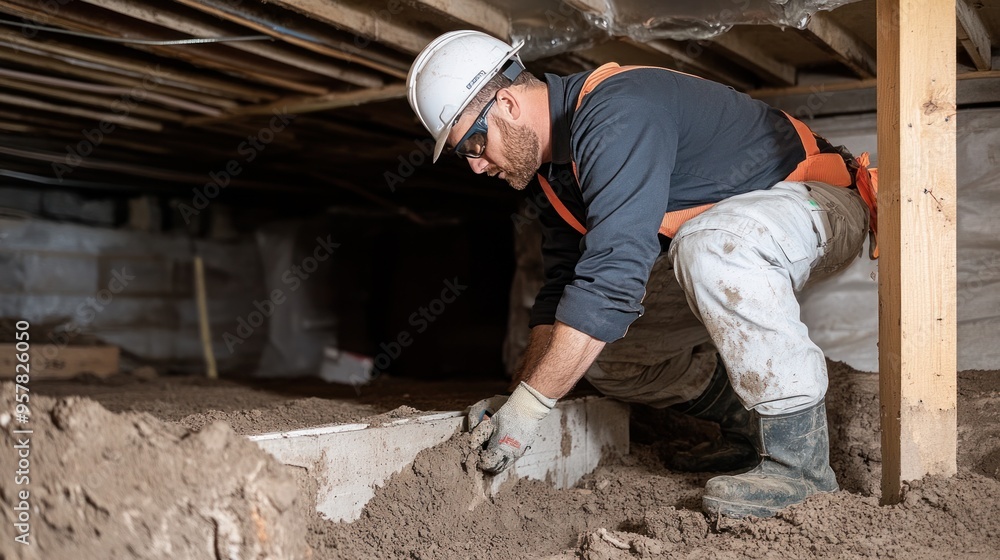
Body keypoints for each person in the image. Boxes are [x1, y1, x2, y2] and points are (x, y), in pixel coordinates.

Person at [405, 30, 874, 519]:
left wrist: (529, 412)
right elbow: (564, 292)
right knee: (607, 357)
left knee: (709, 246)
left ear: (507, 102)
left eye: (473, 144)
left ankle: (801, 468)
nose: (477, 166)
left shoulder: (617, 111)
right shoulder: (558, 180)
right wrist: (516, 396)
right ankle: (749, 430)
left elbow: (614, 275)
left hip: (819, 204)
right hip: (735, 237)